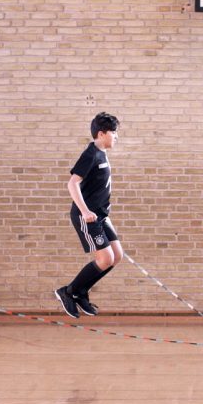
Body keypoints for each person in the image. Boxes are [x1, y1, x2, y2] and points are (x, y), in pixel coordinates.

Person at [56, 112, 122, 318]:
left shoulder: (102, 153)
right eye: (113, 132)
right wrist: (85, 211)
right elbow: (72, 183)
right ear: (101, 134)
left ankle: (81, 291)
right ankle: (68, 292)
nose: (116, 136)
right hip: (87, 216)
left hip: (102, 216)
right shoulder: (90, 154)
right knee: (105, 258)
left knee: (116, 256)